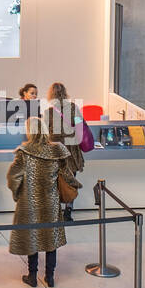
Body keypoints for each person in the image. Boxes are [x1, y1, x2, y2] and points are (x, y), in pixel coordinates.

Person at [7, 116, 81, 288]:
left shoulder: (24, 152)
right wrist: (75, 187)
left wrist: (17, 194)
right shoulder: (57, 150)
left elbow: (13, 177)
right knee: (50, 238)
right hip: (51, 200)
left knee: (31, 236)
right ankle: (50, 276)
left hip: (29, 201)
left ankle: (32, 276)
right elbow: (68, 175)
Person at [44, 82, 87, 221]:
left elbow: (44, 132)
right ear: (65, 93)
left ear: (51, 95)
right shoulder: (74, 108)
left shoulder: (48, 112)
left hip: (55, 150)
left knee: (55, 181)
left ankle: (56, 211)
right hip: (71, 150)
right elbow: (81, 126)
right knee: (71, 180)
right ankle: (68, 210)